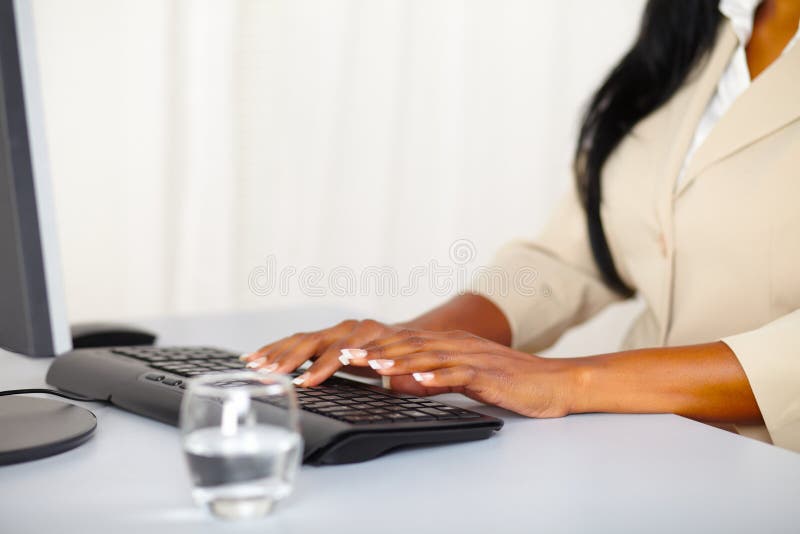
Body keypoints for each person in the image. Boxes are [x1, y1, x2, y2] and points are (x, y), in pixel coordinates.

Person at [242, 0, 800, 452]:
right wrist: (412, 349)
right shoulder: (710, 26)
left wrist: (568, 381)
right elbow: (572, 255)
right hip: (647, 450)